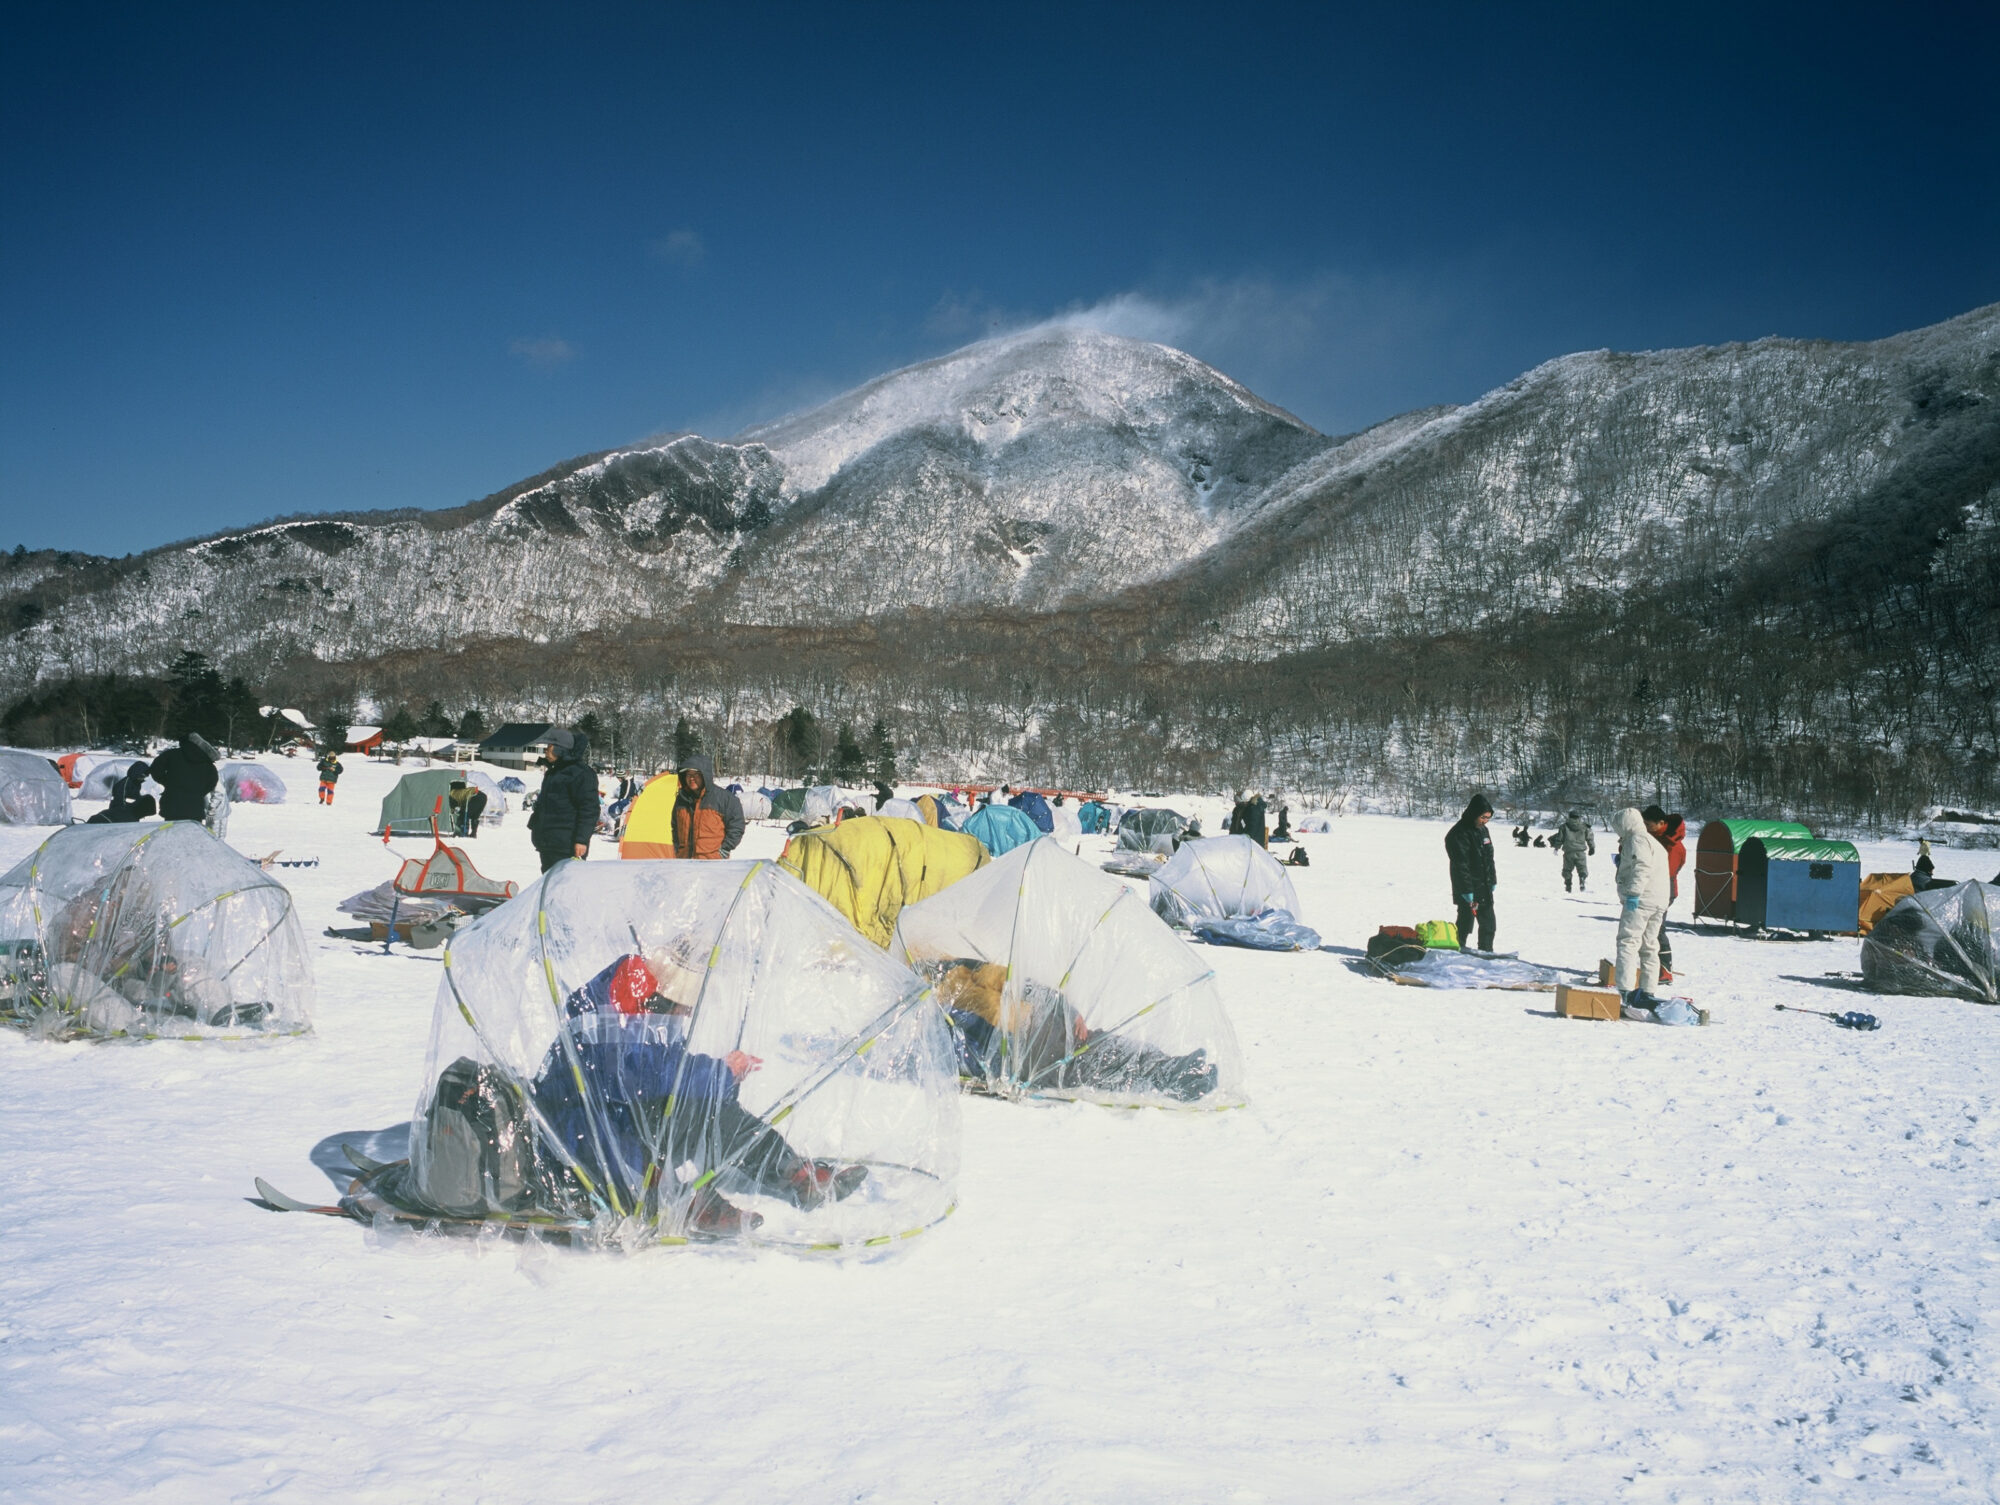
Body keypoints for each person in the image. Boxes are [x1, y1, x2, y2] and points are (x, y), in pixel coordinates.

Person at [528, 951, 864, 1237]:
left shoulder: (644, 1011)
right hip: (585, 1140)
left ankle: (797, 1175)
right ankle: (691, 1204)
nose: (687, 1013)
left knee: (709, 1108)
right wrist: (720, 1073)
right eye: (683, 1005)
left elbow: (668, 1070)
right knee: (683, 1106)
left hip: (623, 1125)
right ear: (663, 997)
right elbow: (639, 1075)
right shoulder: (604, 1014)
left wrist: (723, 1079)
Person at [928, 958, 1217, 1103]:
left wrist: (1068, 1010)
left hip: (1048, 1029)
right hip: (1024, 1059)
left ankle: (1174, 1066)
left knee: (1108, 1044)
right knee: (1095, 1068)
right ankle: (1174, 1081)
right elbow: (963, 1052)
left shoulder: (970, 972)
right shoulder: (937, 1015)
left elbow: (1023, 983)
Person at [1614, 805, 1672, 1011]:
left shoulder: (1637, 839)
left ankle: (1625, 991)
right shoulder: (1653, 841)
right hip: (1658, 901)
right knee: (1649, 946)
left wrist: (1633, 893)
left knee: (1628, 942)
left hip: (1641, 900)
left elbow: (1642, 867)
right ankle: (1648, 991)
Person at [527, 728, 600, 873]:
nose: (546, 751)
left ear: (560, 749)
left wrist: (581, 840)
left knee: (566, 882)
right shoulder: (553, 772)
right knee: (549, 881)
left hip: (567, 845)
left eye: (549, 747)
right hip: (548, 843)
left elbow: (589, 810)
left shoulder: (581, 774)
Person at [1444, 793, 1498, 952]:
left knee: (1489, 924)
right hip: (1467, 885)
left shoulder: (1483, 830)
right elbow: (1460, 865)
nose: (1485, 821)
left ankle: (1486, 951)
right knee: (1465, 921)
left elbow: (1489, 858)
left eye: (1488, 818)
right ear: (1474, 814)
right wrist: (1466, 890)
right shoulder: (1458, 833)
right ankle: (1457, 947)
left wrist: (1492, 879)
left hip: (1484, 884)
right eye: (1483, 817)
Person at [669, 754, 745, 859]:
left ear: (705, 775)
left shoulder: (725, 799)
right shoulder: (681, 800)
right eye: (688, 774)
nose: (691, 778)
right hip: (684, 862)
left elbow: (737, 826)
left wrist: (725, 848)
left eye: (696, 774)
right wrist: (677, 848)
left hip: (712, 863)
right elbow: (675, 827)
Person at [149, 734, 219, 822]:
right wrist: (198, 792)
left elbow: (155, 769)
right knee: (191, 831)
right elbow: (212, 782)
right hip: (195, 808)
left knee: (172, 830)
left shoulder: (172, 754)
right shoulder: (207, 763)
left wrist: (168, 783)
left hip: (172, 806)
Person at [1654, 813, 1687, 984]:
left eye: (1648, 824)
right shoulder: (1656, 838)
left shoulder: (1673, 845)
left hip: (1665, 889)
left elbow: (1670, 870)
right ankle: (1652, 967)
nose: (1646, 827)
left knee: (1657, 928)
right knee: (1649, 929)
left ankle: (1665, 969)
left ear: (1661, 823)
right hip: (1656, 888)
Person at [1556, 809, 1595, 892]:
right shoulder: (1585, 826)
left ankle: (1568, 885)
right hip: (1580, 852)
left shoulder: (1564, 826)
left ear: (1569, 817)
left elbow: (1560, 838)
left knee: (1567, 870)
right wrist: (1592, 847)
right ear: (1578, 817)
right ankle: (1582, 879)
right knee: (1582, 868)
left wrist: (1556, 847)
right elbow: (1590, 838)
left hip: (1568, 852)